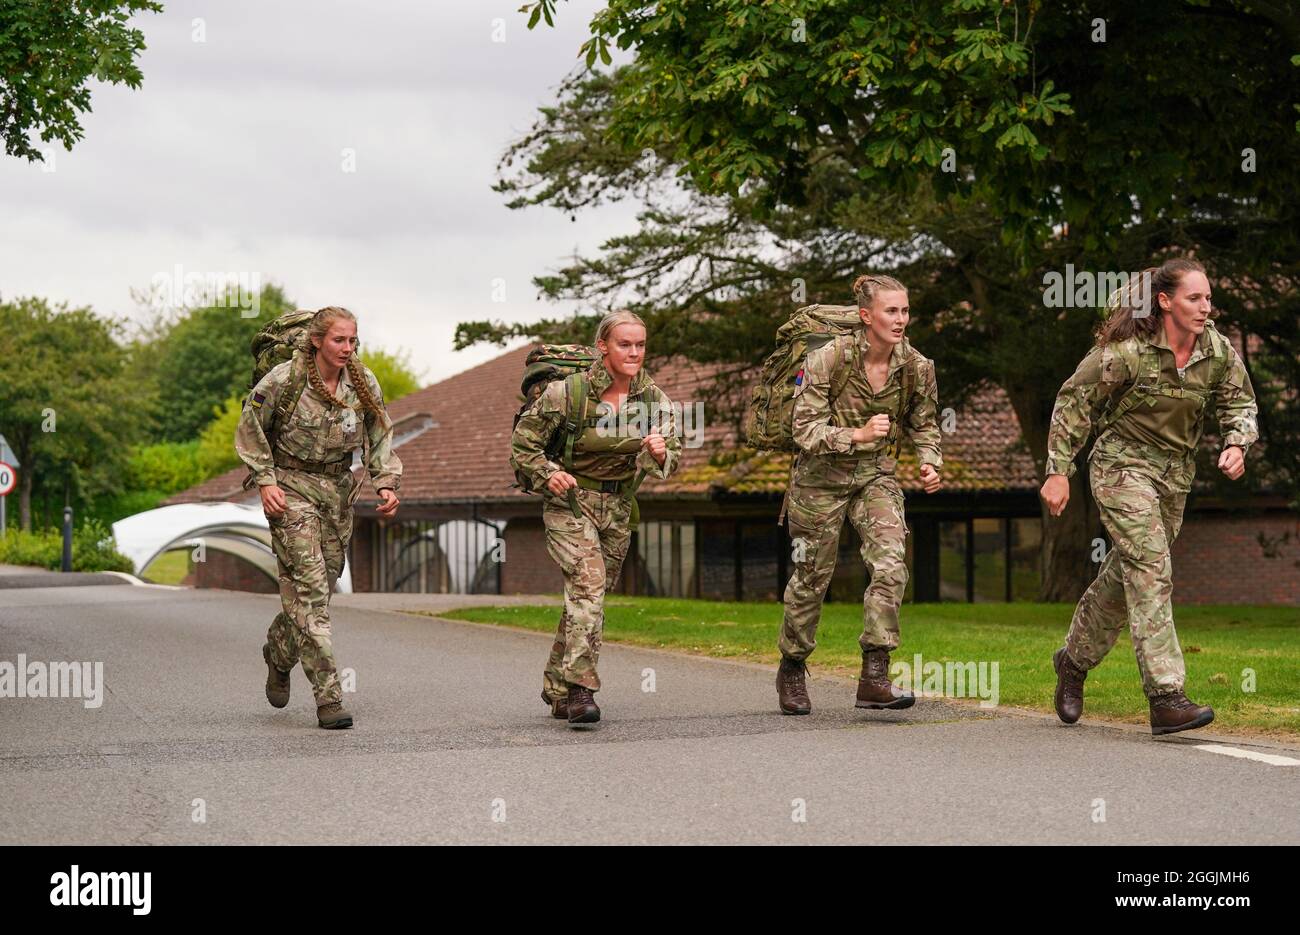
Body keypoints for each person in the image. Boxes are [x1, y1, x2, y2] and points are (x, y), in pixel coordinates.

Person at [1042, 258, 1258, 735]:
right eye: (1194, 299)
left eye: (1208, 298)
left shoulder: (1216, 351)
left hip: (1174, 476)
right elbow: (1073, 401)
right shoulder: (1127, 353)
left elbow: (1239, 402)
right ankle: (1166, 696)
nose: (1206, 308)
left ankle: (1072, 663)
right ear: (1165, 302)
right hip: (1121, 465)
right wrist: (1059, 471)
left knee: (1127, 576)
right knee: (1151, 568)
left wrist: (1237, 442)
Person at [777, 275, 943, 715]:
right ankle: (792, 666)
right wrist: (858, 433)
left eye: (905, 311)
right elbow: (804, 431)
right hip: (818, 481)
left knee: (890, 565)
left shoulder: (917, 366)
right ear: (867, 316)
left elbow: (924, 423)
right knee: (812, 579)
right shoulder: (827, 359)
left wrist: (929, 460)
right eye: (891, 311)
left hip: (875, 477)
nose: (901, 320)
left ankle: (875, 674)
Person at [510, 310, 681, 727]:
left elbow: (673, 458)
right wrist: (549, 473)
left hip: (618, 508)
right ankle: (582, 690)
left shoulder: (653, 399)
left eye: (640, 345)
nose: (634, 352)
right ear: (603, 346)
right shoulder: (567, 393)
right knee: (589, 589)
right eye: (625, 344)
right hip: (570, 503)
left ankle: (556, 686)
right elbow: (524, 446)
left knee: (587, 602)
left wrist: (662, 454)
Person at [235, 306, 402, 729]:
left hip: (337, 494)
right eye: (338, 340)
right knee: (310, 590)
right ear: (316, 340)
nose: (347, 348)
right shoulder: (284, 381)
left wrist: (385, 481)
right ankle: (328, 698)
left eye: (352, 340)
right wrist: (266, 481)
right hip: (290, 489)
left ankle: (277, 652)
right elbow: (250, 429)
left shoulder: (363, 382)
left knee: (320, 588)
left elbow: (379, 433)